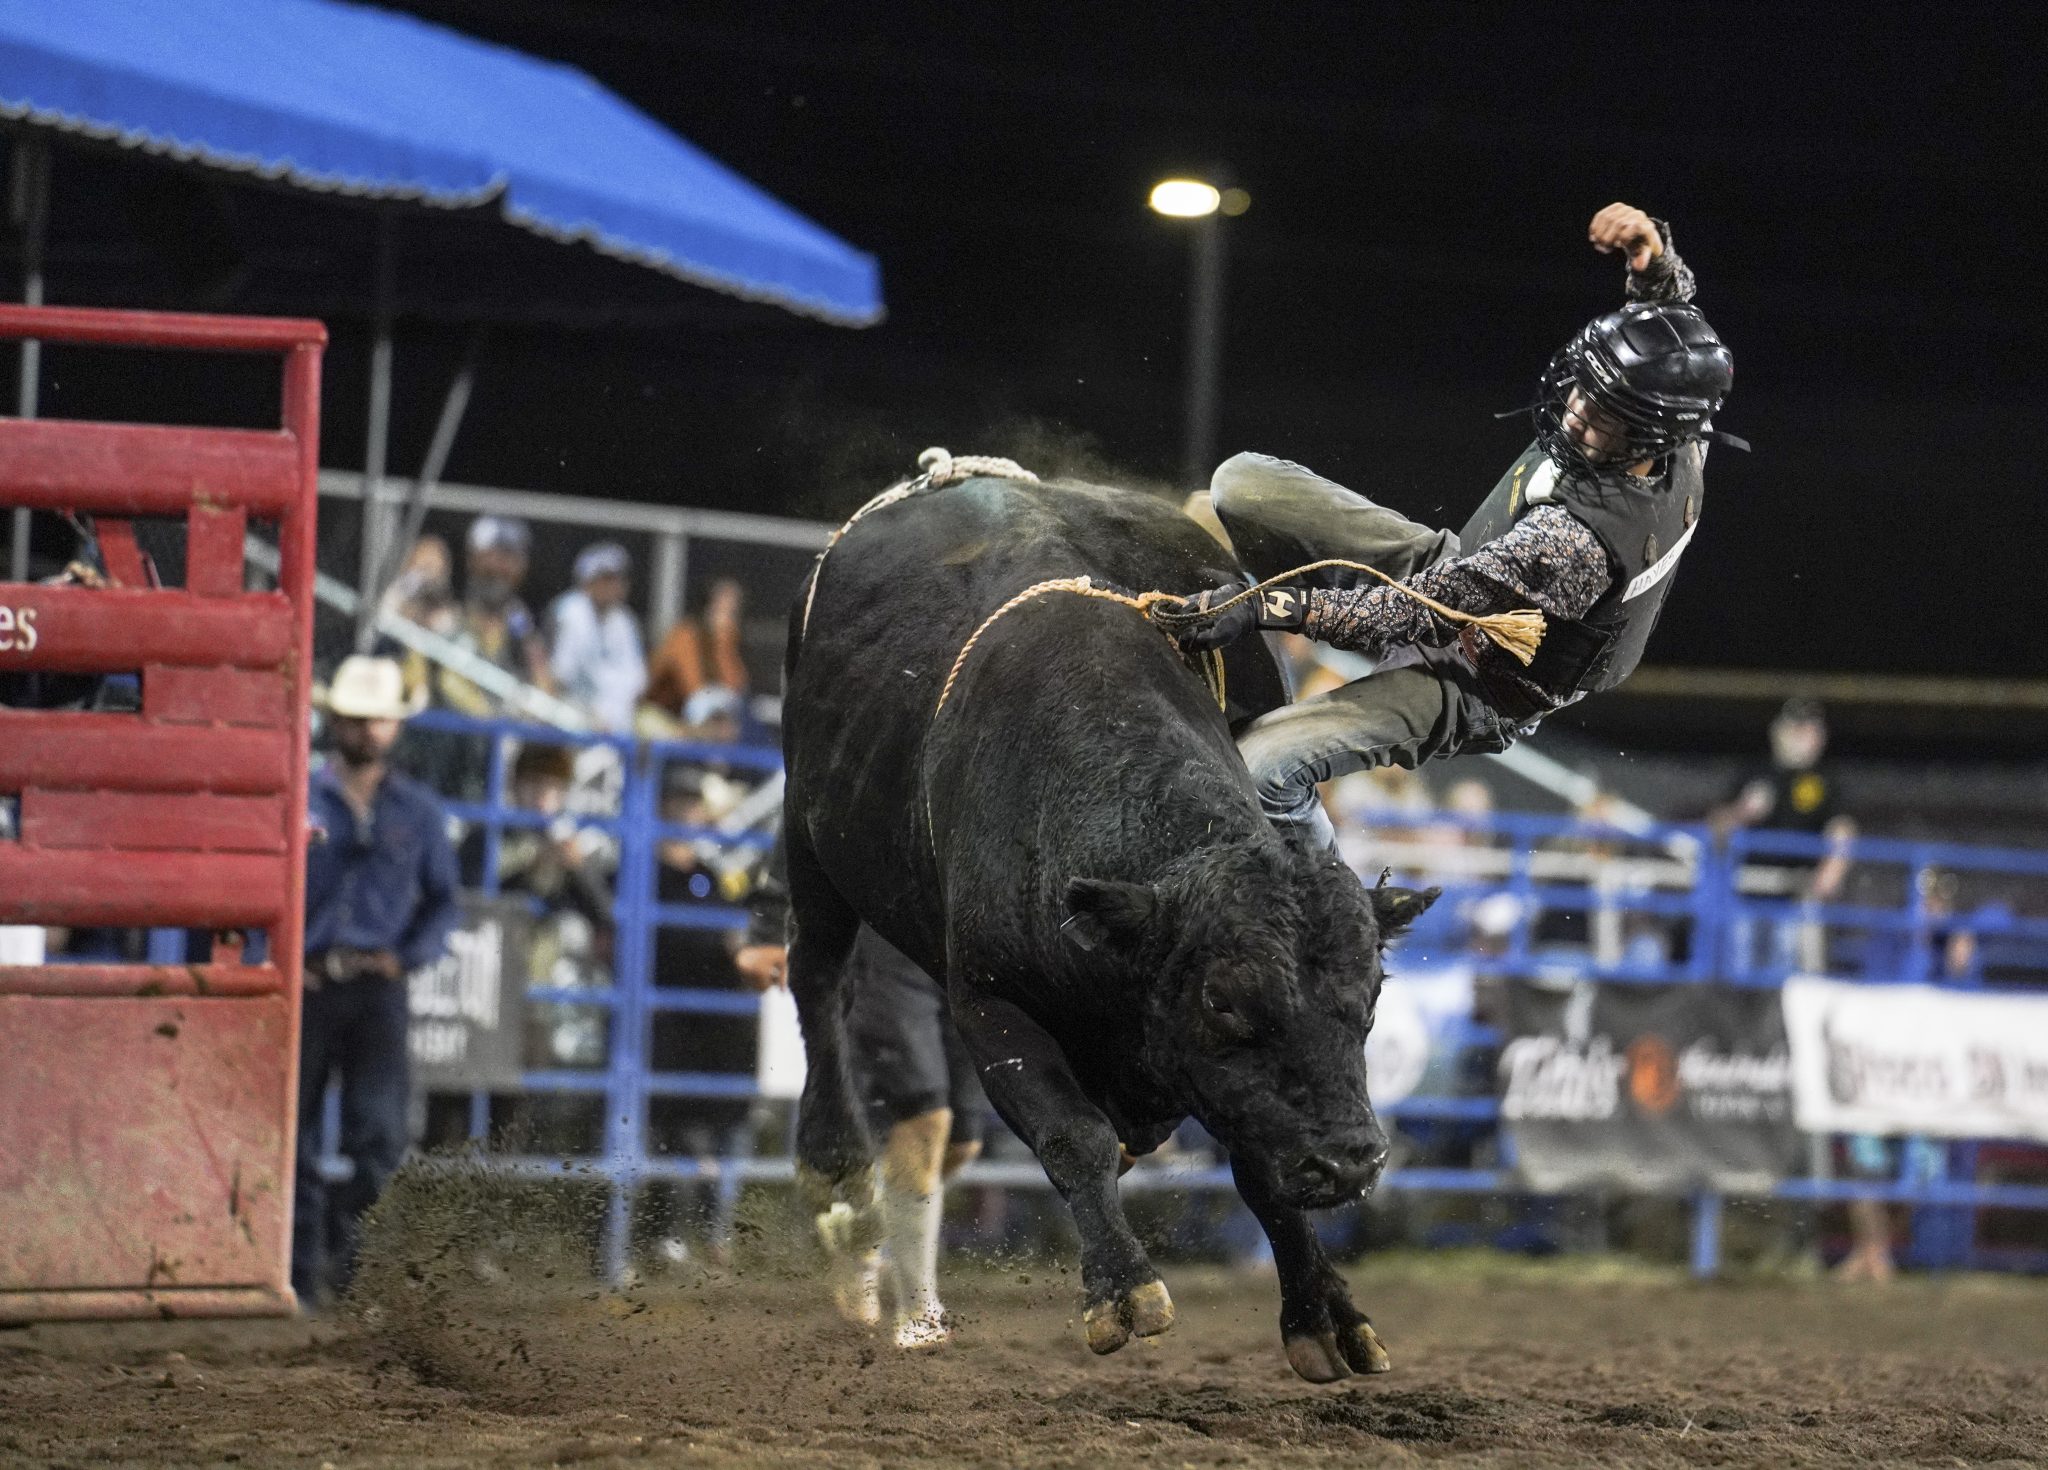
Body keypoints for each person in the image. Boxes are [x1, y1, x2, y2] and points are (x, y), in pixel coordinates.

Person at [1166, 203, 1739, 848]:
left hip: (1474, 679)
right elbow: (1675, 331)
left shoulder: (1579, 542)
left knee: (1261, 768)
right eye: (1583, 387)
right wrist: (1650, 259)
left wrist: (1265, 606)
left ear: (1649, 435)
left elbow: (1421, 612)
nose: (1576, 411)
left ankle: (1321, 902)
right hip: (1461, 573)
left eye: (1603, 412)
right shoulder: (1680, 439)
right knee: (1238, 482)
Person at [737, 828, 986, 1349]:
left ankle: (860, 1240)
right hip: (884, 936)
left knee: (962, 1142)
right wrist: (767, 922)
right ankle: (920, 1309)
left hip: (967, 940)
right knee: (925, 1116)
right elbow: (811, 803)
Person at [296, 655, 462, 1309]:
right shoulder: (304, 793)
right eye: (356, 719)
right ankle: (300, 1278)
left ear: (394, 728)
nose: (366, 731)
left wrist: (408, 956)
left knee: (381, 1138)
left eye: (377, 720)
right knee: (297, 1140)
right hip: (308, 982)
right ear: (338, 721)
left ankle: (352, 1276)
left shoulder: (417, 811)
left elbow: (443, 902)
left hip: (375, 986)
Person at [1710, 698, 1857, 974]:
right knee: (1740, 966)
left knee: (1786, 967)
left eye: (1812, 729)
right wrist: (1742, 811)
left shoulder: (1824, 779)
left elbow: (1842, 829)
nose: (1806, 737)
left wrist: (1832, 870)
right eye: (1798, 728)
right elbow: (1716, 827)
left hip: (1795, 890)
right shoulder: (1756, 772)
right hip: (1747, 887)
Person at [549, 541, 647, 732]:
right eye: (606, 579)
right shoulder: (568, 611)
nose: (614, 586)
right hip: (573, 712)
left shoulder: (624, 621)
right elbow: (559, 674)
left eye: (618, 579)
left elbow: (637, 679)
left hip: (616, 720)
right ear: (588, 581)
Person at [641, 577, 749, 734]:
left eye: (733, 612)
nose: (728, 618)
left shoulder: (725, 644)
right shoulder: (685, 635)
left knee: (730, 728)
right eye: (722, 608)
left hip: (692, 721)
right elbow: (694, 693)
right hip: (659, 715)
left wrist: (724, 644)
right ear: (707, 606)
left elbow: (736, 688)